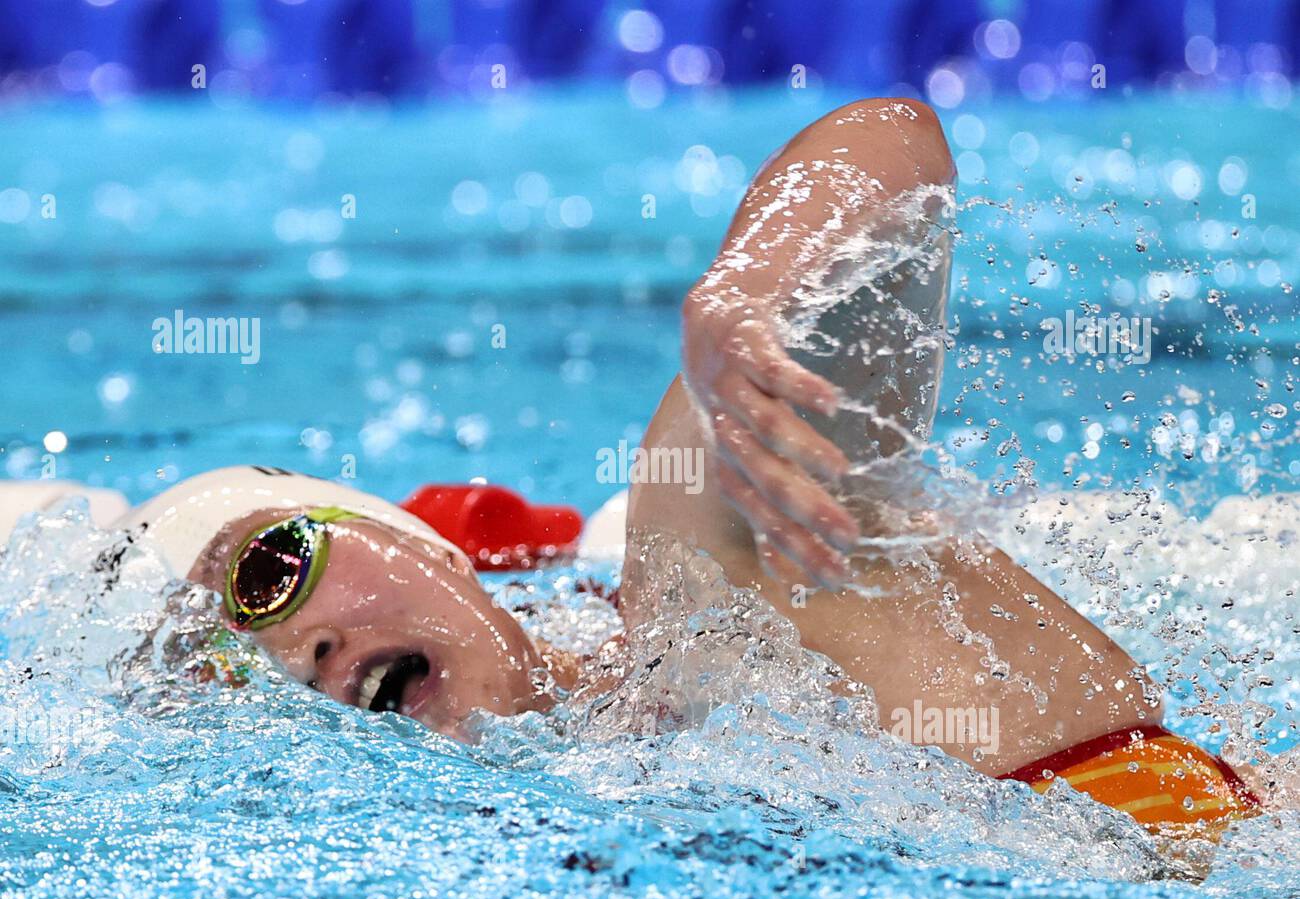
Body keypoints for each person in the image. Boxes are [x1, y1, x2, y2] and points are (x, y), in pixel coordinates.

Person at [106, 98, 1291, 833]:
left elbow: (892, 140)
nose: (289, 655)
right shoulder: (593, 797)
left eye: (266, 573)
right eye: (228, 675)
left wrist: (746, 293)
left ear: (417, 536)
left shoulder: (712, 549)